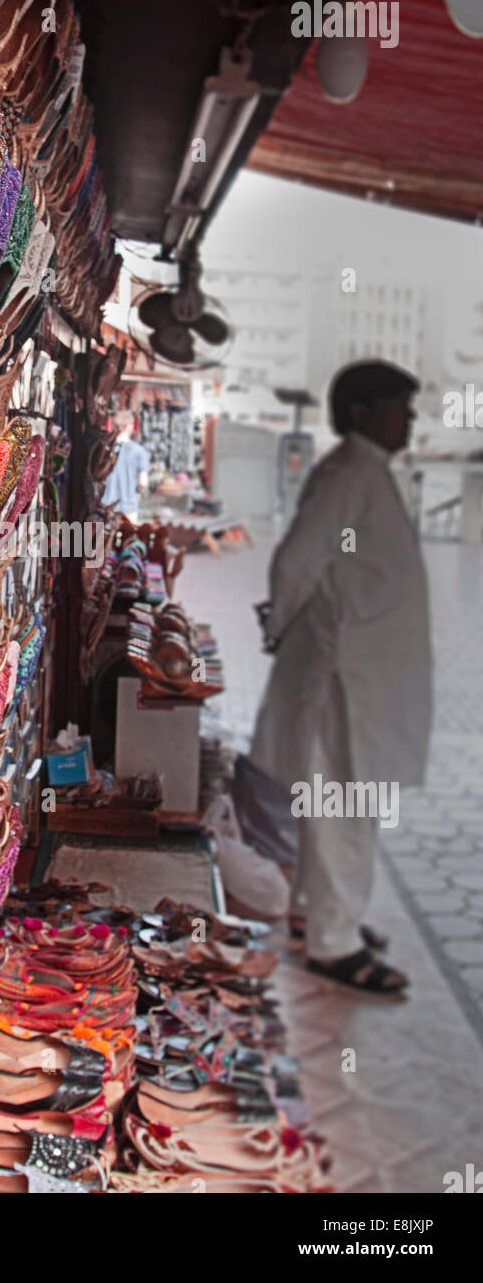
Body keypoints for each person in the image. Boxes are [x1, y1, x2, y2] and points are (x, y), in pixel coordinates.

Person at [249, 360, 431, 994]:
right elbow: (299, 559)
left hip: (356, 669)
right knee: (344, 805)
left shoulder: (367, 473)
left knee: (340, 800)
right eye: (400, 407)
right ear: (362, 411)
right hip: (341, 671)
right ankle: (334, 942)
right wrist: (283, 629)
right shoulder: (350, 473)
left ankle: (316, 913)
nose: (410, 419)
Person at [103, 410, 150, 520]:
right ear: (130, 426)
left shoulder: (104, 450)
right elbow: (143, 483)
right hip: (128, 509)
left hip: (104, 509)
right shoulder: (139, 451)